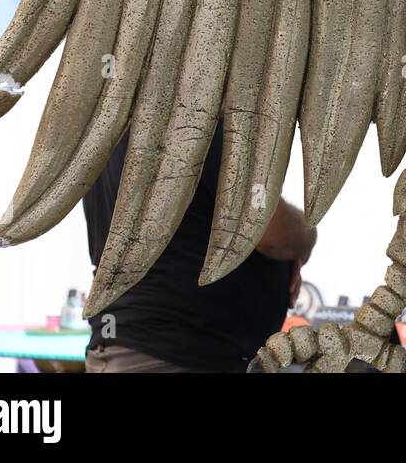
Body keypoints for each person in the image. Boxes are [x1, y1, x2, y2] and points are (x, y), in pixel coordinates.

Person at [83, 120, 317, 372]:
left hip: (143, 347)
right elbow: (269, 231)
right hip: (175, 353)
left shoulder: (117, 124)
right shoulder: (192, 112)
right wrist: (304, 238)